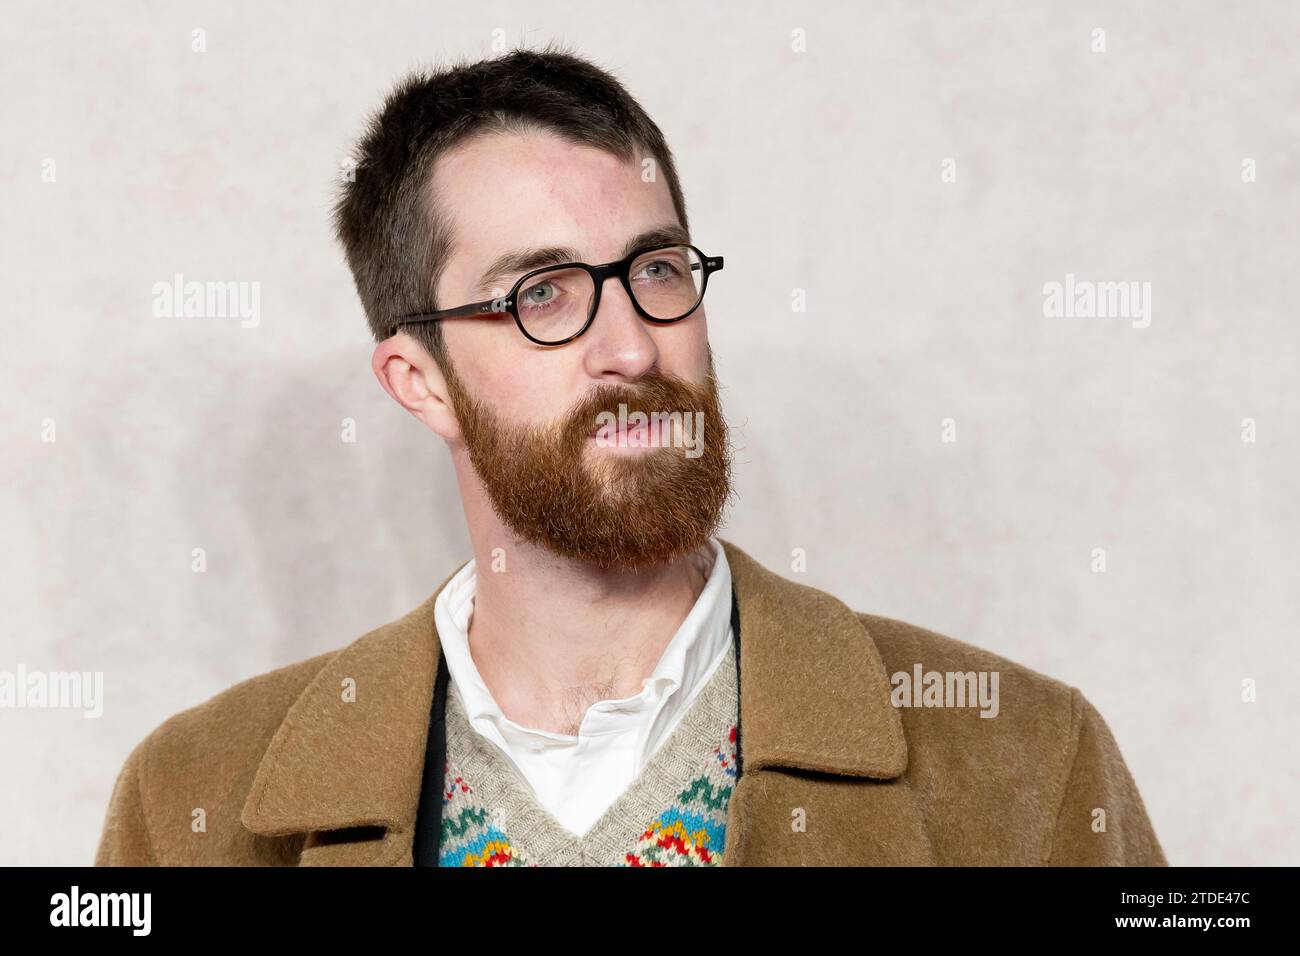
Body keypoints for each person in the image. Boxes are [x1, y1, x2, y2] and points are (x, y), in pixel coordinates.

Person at [95, 42, 1166, 867]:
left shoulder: (1023, 761)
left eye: (655, 269)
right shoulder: (194, 797)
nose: (632, 346)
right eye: (541, 294)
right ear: (419, 382)